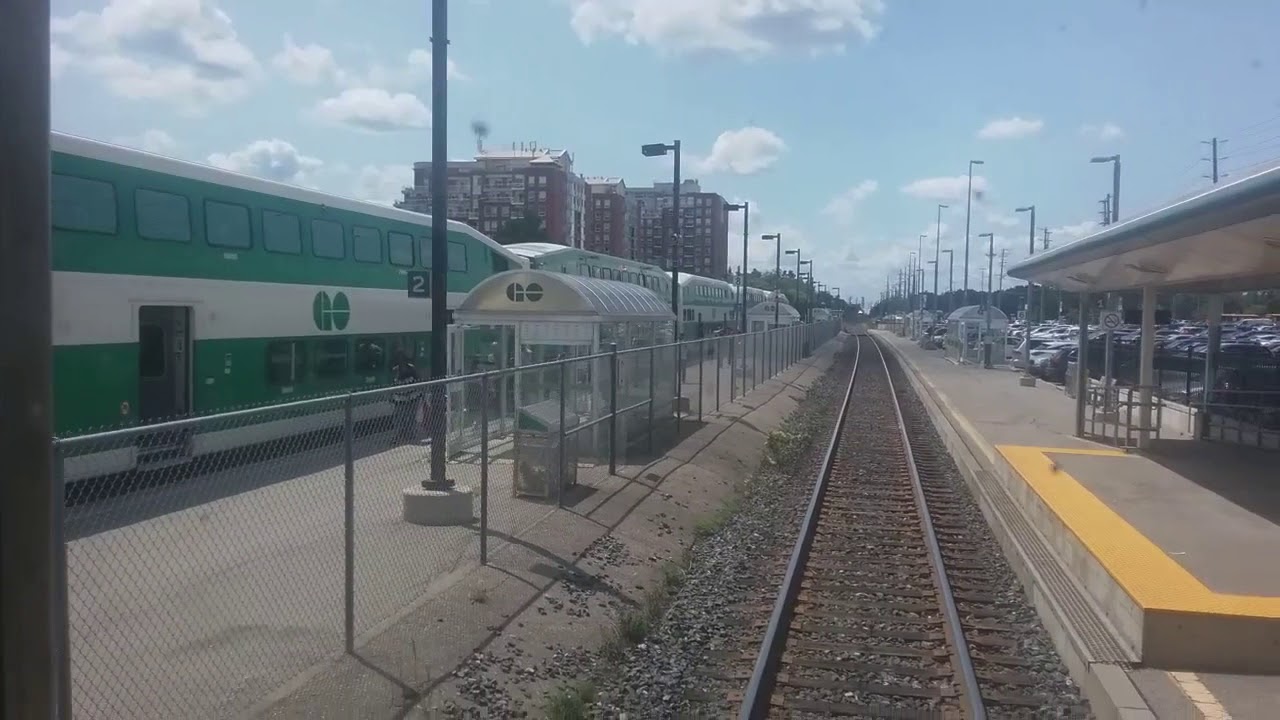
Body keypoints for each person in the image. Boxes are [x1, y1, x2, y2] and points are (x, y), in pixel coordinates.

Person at [390, 349, 422, 444]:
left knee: (410, 417)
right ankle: (399, 435)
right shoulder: (395, 371)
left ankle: (409, 434)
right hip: (400, 398)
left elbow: (418, 380)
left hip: (412, 397)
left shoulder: (411, 369)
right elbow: (393, 384)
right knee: (400, 418)